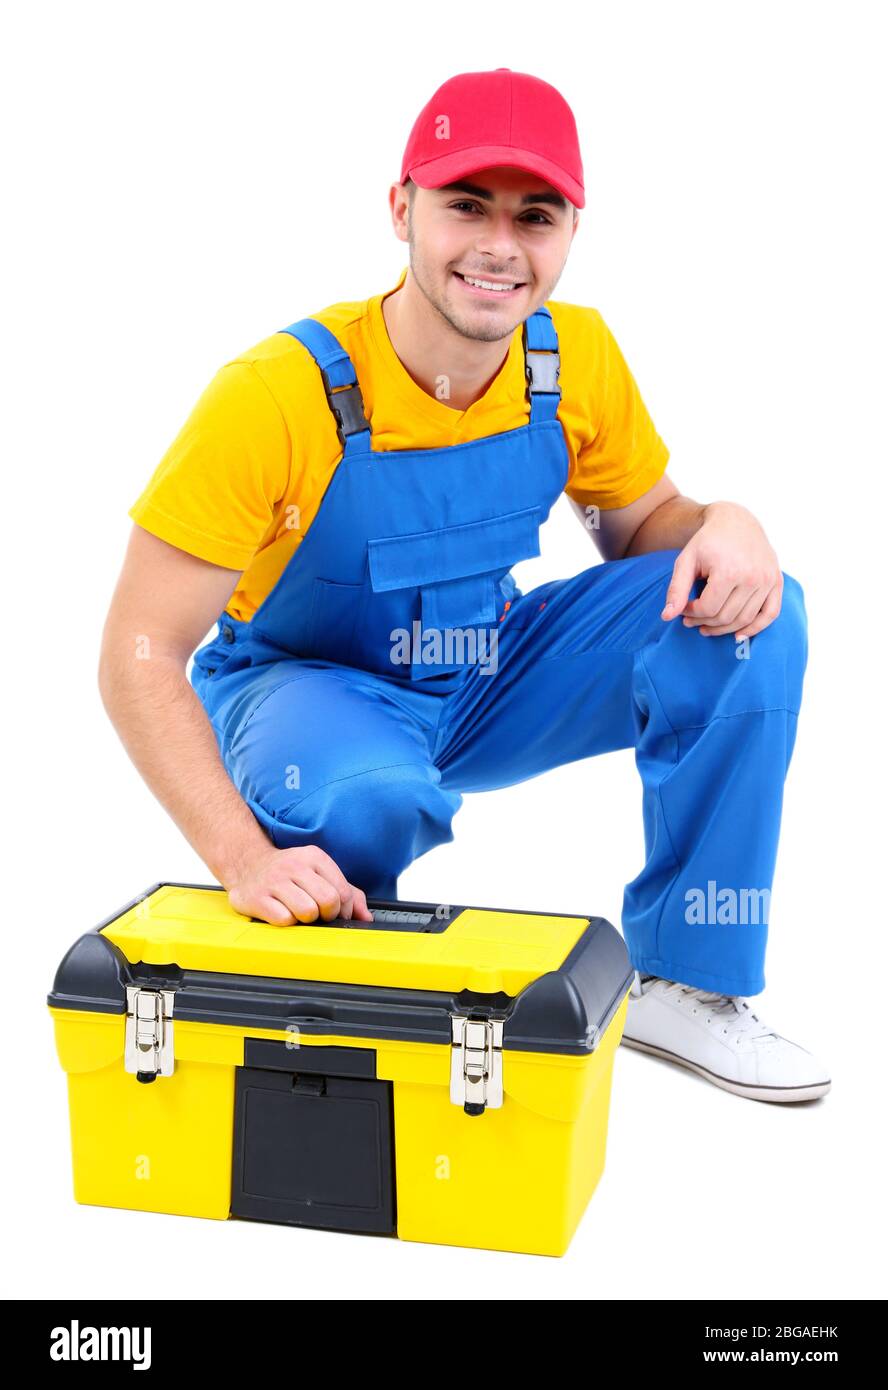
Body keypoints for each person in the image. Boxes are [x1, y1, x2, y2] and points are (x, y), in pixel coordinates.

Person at [98, 68, 829, 1103]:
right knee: (366, 798)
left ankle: (685, 982)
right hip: (306, 689)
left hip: (489, 668)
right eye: (465, 206)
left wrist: (726, 522)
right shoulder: (277, 394)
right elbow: (135, 652)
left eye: (534, 215)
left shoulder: (571, 359)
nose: (500, 244)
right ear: (401, 209)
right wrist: (239, 855)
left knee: (755, 617)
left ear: (572, 230)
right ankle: (348, 1009)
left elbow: (647, 544)